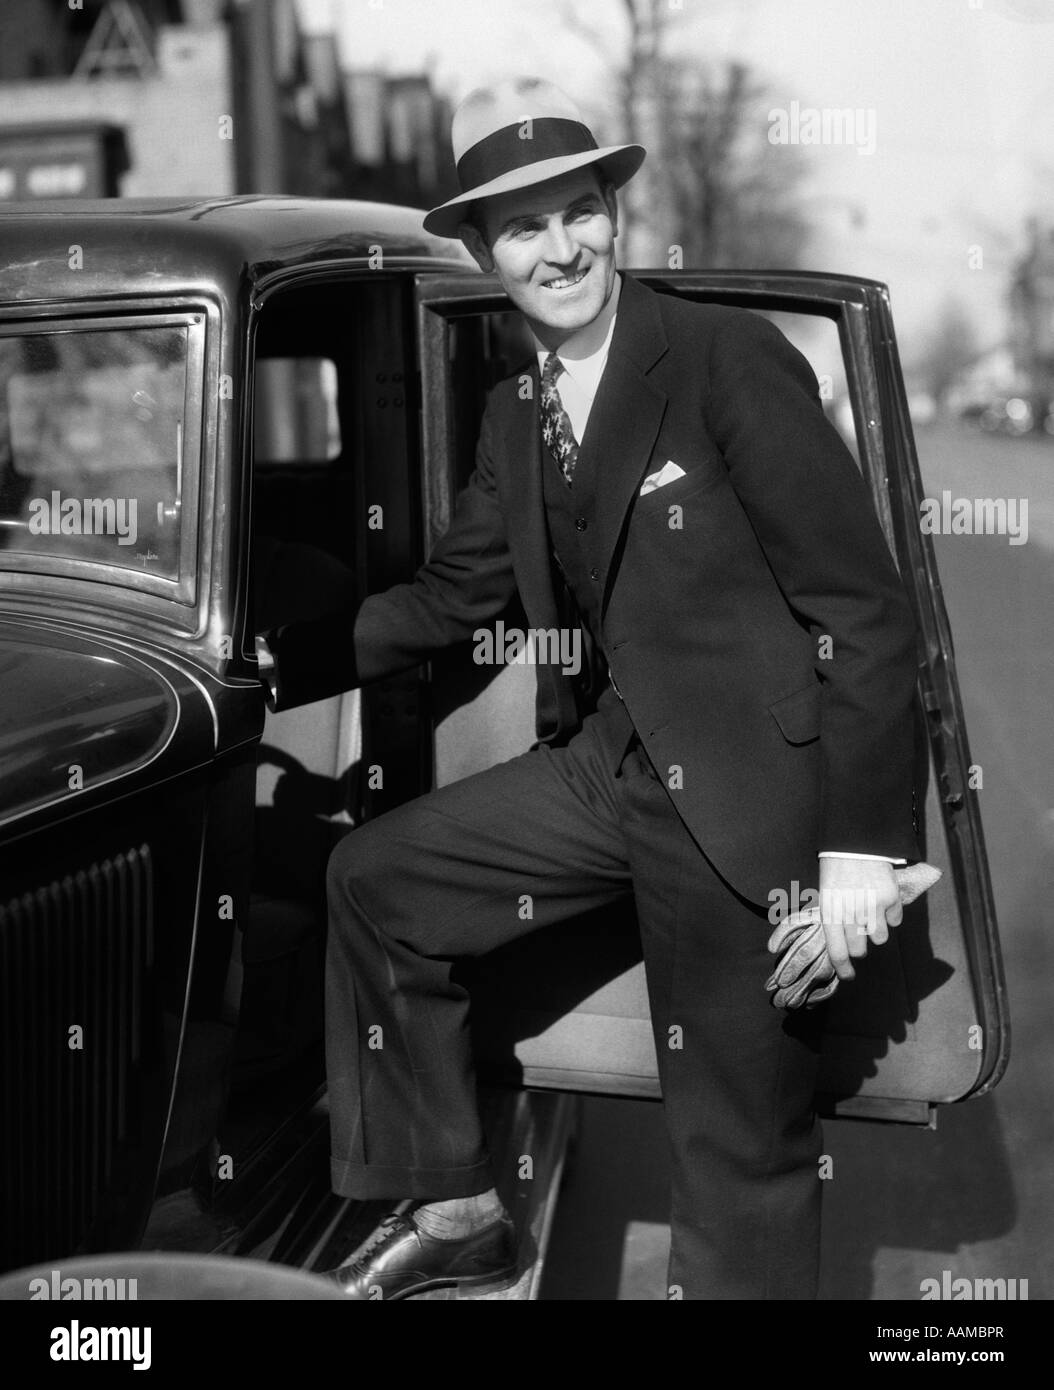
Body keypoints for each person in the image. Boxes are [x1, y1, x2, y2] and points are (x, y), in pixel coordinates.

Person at [269, 77, 920, 1300]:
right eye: (522, 227)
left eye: (578, 212)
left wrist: (856, 854)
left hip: (749, 797)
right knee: (375, 881)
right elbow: (448, 599)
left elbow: (862, 612)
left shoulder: (725, 358)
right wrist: (262, 662)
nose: (558, 248)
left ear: (617, 219)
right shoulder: (516, 418)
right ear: (479, 248)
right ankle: (458, 1201)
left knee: (737, 1149)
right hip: (609, 769)